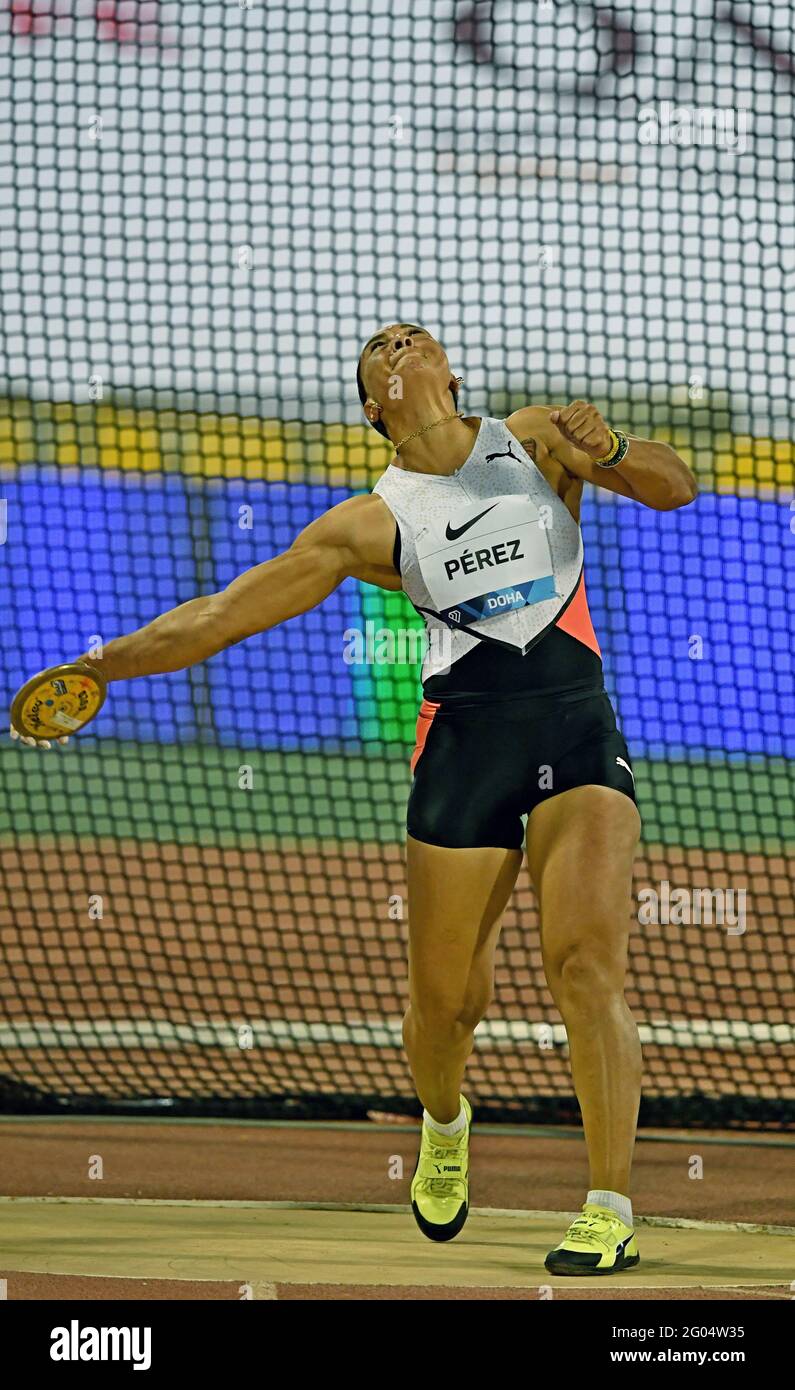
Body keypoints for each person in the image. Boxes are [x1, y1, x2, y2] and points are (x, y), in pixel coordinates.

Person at [11, 322, 697, 1274]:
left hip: (575, 730)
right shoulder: (366, 523)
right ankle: (446, 1124)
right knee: (443, 1009)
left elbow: (676, 488)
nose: (400, 342)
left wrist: (613, 448)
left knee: (584, 961)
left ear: (451, 373)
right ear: (373, 406)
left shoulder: (535, 441)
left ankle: (608, 1205)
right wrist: (105, 664)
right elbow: (222, 614)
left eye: (414, 337)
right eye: (381, 349)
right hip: (464, 745)